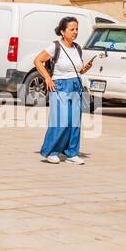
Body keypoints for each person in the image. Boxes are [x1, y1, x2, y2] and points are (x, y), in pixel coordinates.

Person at [34, 16, 93, 164]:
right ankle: (51, 151)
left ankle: (72, 153)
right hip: (60, 85)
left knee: (74, 121)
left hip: (75, 84)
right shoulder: (55, 46)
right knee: (61, 120)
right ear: (62, 31)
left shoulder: (77, 48)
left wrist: (84, 69)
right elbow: (37, 61)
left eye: (77, 29)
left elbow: (77, 70)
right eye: (71, 29)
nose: (75, 32)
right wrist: (47, 78)